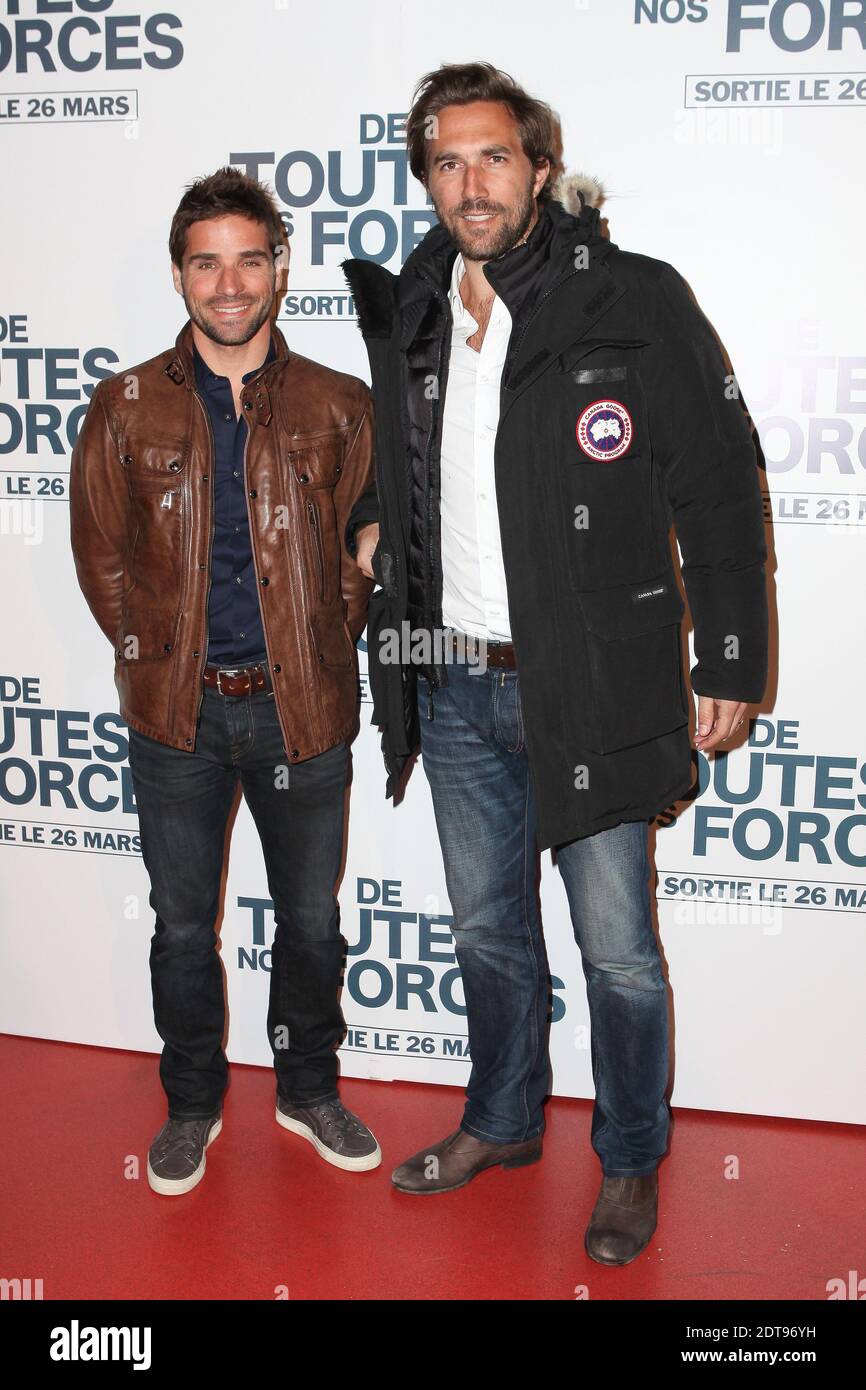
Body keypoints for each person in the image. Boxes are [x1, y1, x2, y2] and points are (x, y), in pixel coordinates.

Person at [342, 63, 768, 1264]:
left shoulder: (625, 297)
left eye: (489, 156)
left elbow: (717, 485)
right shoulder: (414, 305)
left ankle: (627, 1157)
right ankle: (502, 1120)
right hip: (454, 678)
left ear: (536, 164)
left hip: (593, 682)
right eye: (443, 161)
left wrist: (728, 654)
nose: (467, 183)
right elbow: (405, 460)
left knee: (618, 948)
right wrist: (378, 520)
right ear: (423, 176)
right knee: (485, 933)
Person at [70, 167, 380, 1195]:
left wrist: (322, 644)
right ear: (178, 276)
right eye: (206, 261)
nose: (229, 281)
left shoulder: (340, 404)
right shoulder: (121, 409)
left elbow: (360, 551)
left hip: (303, 711)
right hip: (178, 719)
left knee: (310, 923)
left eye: (249, 257)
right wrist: (156, 657)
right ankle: (193, 1102)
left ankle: (306, 1086)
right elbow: (102, 558)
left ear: (279, 270)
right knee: (177, 924)